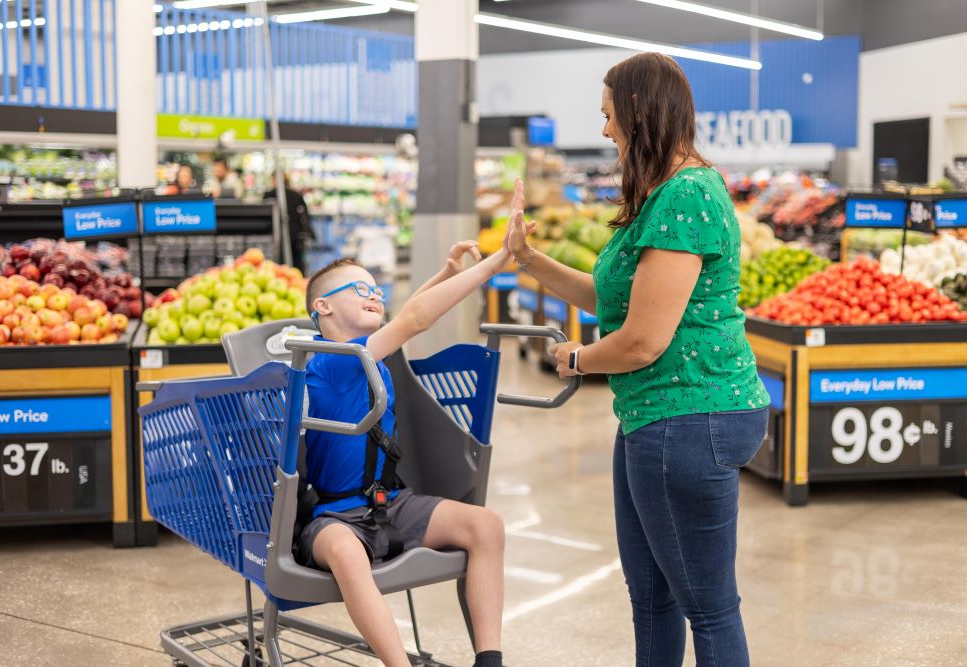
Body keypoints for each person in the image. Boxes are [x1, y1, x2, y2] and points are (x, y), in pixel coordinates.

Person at [504, 52, 770, 667]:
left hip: (692, 415)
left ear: (637, 112)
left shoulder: (684, 195)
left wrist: (575, 359)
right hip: (656, 418)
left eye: (607, 116)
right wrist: (528, 260)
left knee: (708, 607)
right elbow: (613, 297)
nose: (603, 131)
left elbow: (643, 339)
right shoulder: (659, 195)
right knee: (651, 597)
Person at [301, 241, 510, 667]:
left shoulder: (370, 353)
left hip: (391, 504)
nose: (374, 295)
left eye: (377, 290)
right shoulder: (327, 362)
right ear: (322, 307)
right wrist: (498, 261)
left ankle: (490, 660)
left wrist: (446, 274)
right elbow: (414, 319)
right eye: (360, 289)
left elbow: (407, 314)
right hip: (334, 517)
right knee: (344, 552)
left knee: (485, 525)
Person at [266, 173, 311, 271]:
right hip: (295, 237)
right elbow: (305, 216)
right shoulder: (296, 195)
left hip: (277, 236)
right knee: (296, 266)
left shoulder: (269, 195)